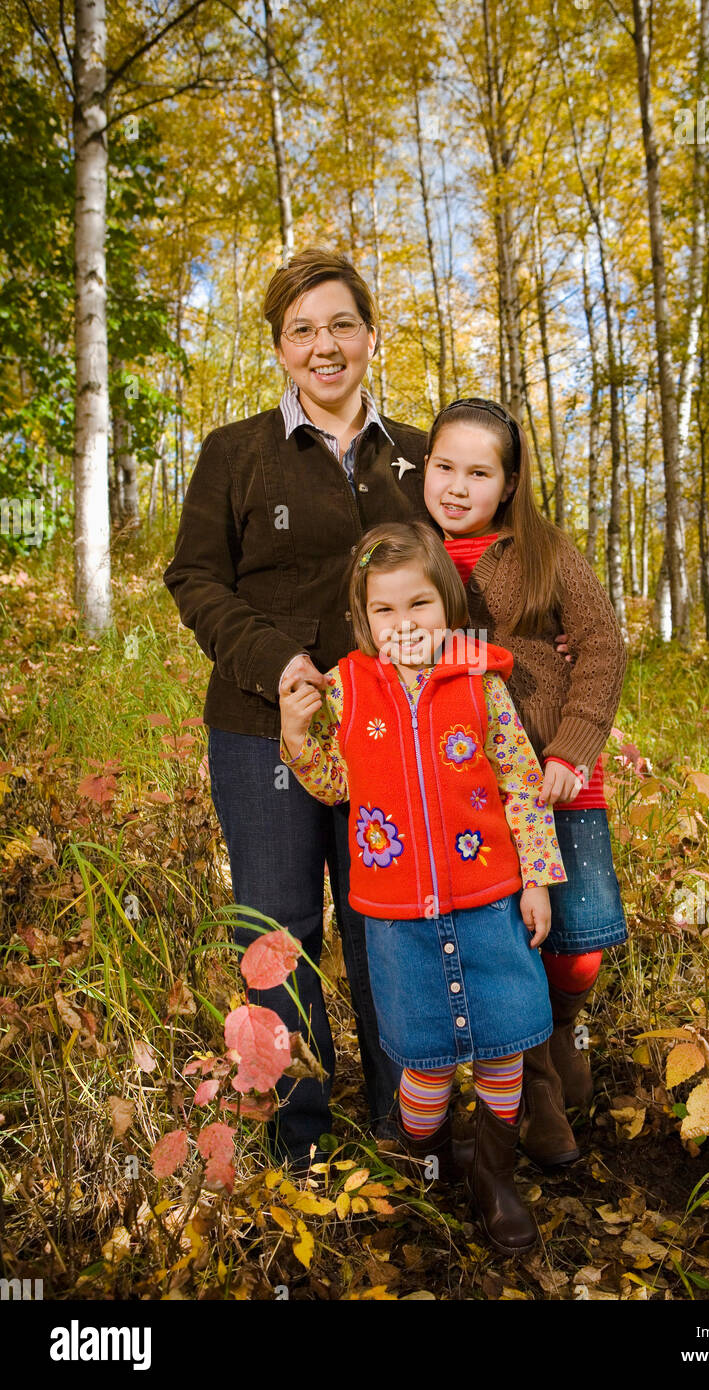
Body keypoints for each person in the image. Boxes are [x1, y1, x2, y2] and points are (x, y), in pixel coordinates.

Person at [163, 247, 430, 1167]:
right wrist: (276, 662)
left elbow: (469, 569)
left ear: (369, 333)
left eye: (341, 324)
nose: (325, 346)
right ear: (279, 349)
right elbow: (193, 576)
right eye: (302, 330)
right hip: (258, 726)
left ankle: (410, 1126)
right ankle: (296, 1143)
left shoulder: (418, 454)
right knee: (279, 931)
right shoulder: (235, 453)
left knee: (388, 921)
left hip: (394, 734)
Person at [278, 521, 566, 1255]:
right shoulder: (349, 688)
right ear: (363, 619)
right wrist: (295, 734)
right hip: (398, 917)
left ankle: (494, 1179)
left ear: (449, 608)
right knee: (426, 1062)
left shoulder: (480, 681)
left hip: (489, 904)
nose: (404, 624)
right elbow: (333, 784)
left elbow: (521, 786)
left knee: (502, 1047)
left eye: (421, 605)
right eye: (385, 610)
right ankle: (426, 1166)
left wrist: (537, 879)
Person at [423, 397, 628, 1167]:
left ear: (507, 484)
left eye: (479, 472)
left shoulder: (543, 552)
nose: (456, 486)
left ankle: (565, 1024)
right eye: (444, 467)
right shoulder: (416, 554)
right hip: (473, 788)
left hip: (557, 779)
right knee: (511, 943)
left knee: (580, 940)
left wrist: (573, 749)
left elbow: (603, 645)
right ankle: (537, 1084)